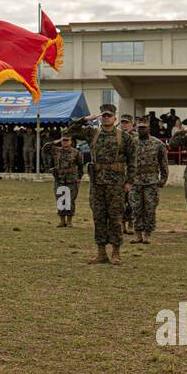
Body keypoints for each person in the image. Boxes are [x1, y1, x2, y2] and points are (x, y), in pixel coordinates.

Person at [65, 103, 135, 264]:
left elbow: (133, 160)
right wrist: (84, 119)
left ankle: (116, 252)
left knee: (116, 217)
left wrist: (130, 181)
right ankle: (101, 252)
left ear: (115, 118)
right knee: (98, 217)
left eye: (109, 116)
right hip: (97, 183)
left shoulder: (124, 137)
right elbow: (69, 131)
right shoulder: (92, 133)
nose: (106, 118)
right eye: (103, 115)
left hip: (116, 183)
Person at [128, 116, 168, 243]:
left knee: (150, 208)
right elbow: (126, 162)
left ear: (149, 128)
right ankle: (138, 234)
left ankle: (147, 234)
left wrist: (163, 178)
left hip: (151, 181)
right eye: (139, 128)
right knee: (136, 208)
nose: (141, 130)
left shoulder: (158, 144)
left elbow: (163, 163)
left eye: (144, 127)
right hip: (135, 181)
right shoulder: (131, 143)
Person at [50, 134, 81, 227]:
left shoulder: (76, 152)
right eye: (63, 140)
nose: (65, 142)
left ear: (71, 142)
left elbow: (80, 166)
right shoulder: (56, 150)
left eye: (67, 140)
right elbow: (45, 148)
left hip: (72, 179)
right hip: (59, 178)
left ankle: (69, 221)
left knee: (70, 200)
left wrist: (79, 178)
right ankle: (62, 221)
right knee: (60, 200)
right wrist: (56, 141)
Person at [119, 114, 136, 233]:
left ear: (132, 124)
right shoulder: (116, 137)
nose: (124, 125)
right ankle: (121, 224)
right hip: (118, 174)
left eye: (127, 123)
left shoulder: (137, 138)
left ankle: (131, 223)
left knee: (131, 201)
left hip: (131, 174)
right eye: (122, 123)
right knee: (119, 201)